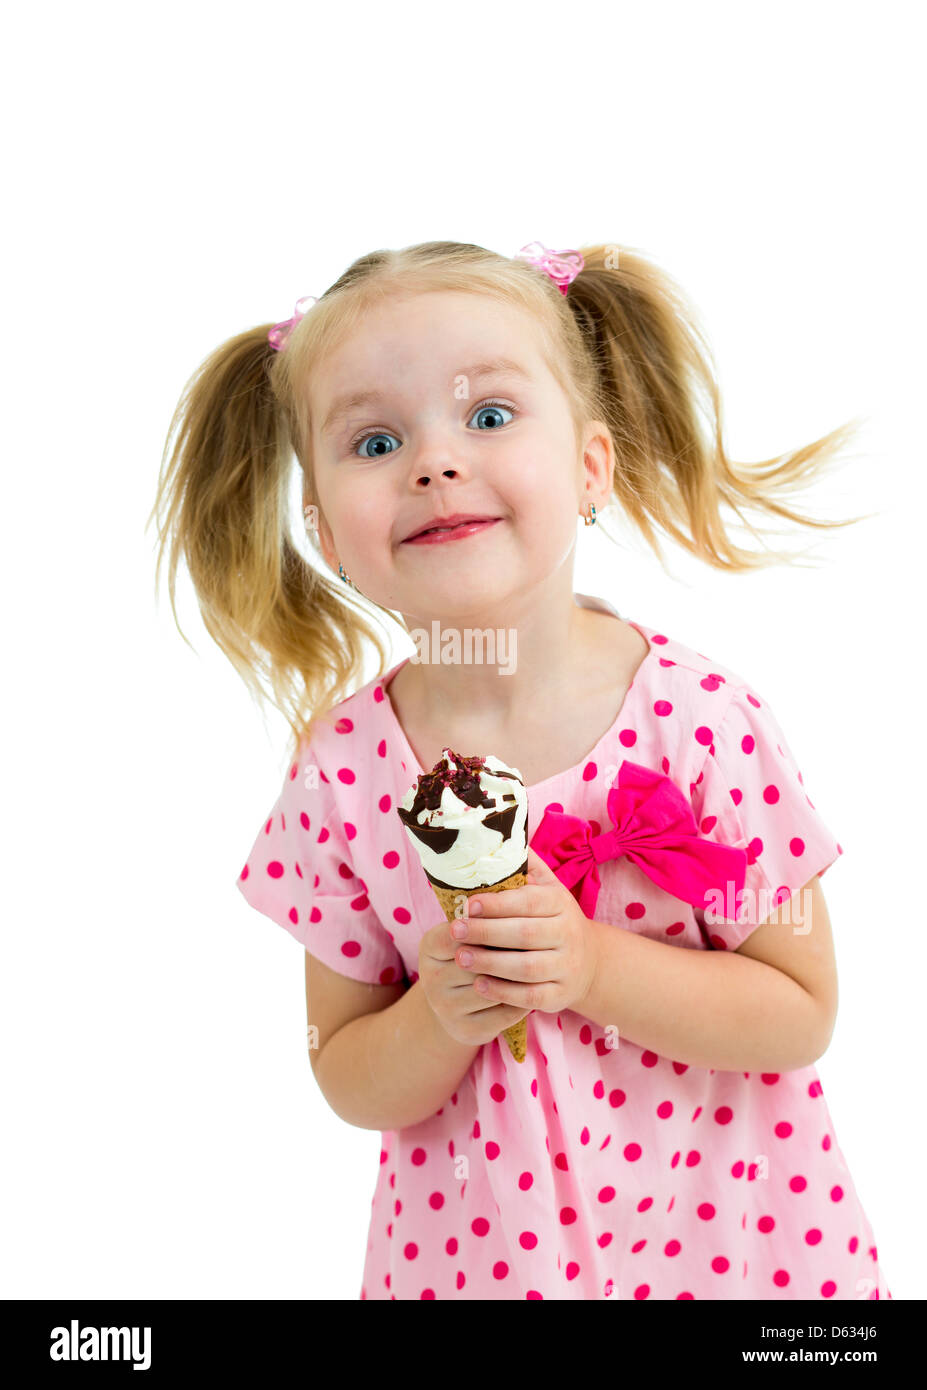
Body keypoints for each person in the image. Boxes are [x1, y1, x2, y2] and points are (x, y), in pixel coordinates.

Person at [150, 239, 892, 1301]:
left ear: (592, 465)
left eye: (489, 417)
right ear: (322, 529)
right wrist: (437, 1014)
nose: (434, 462)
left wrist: (589, 965)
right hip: (478, 1269)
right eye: (373, 439)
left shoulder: (702, 725)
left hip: (739, 1255)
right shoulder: (344, 774)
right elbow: (347, 1073)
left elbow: (800, 1008)